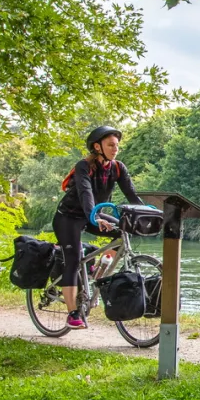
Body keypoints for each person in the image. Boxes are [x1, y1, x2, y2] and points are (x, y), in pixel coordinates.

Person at [54, 125, 143, 329]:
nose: (115, 149)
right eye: (110, 145)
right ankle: (73, 313)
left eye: (117, 146)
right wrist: (94, 217)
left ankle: (98, 272)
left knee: (121, 232)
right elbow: (86, 194)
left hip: (95, 214)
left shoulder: (118, 167)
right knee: (73, 259)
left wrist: (150, 213)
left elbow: (132, 195)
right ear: (97, 146)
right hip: (69, 216)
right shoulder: (84, 166)